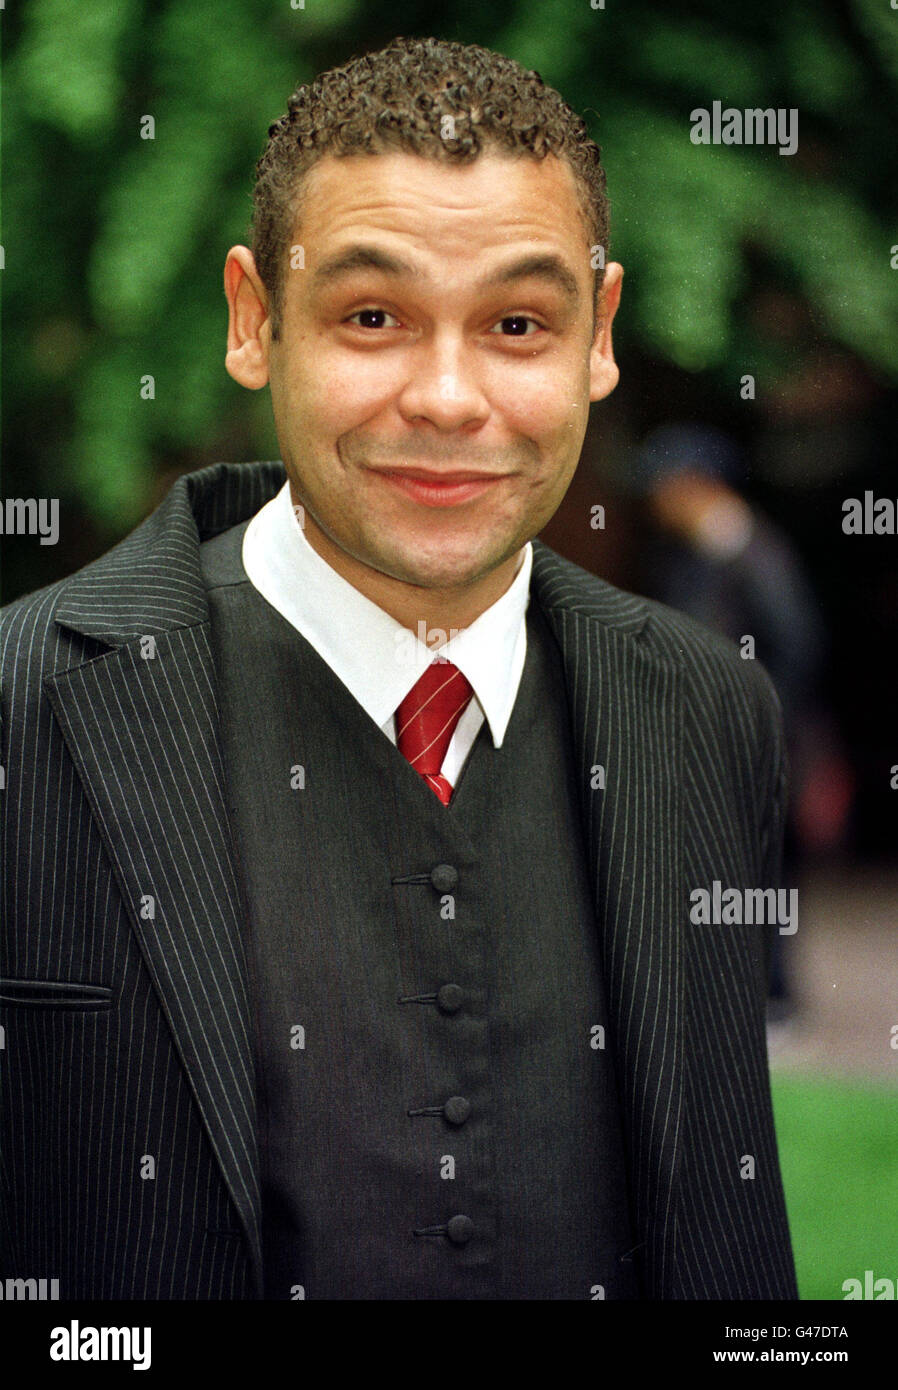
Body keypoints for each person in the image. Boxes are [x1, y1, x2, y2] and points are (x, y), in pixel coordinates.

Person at [0, 36, 797, 1300]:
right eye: (372, 317)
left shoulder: (708, 710)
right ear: (255, 319)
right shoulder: (23, 702)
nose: (447, 397)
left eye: (517, 324)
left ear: (599, 337)